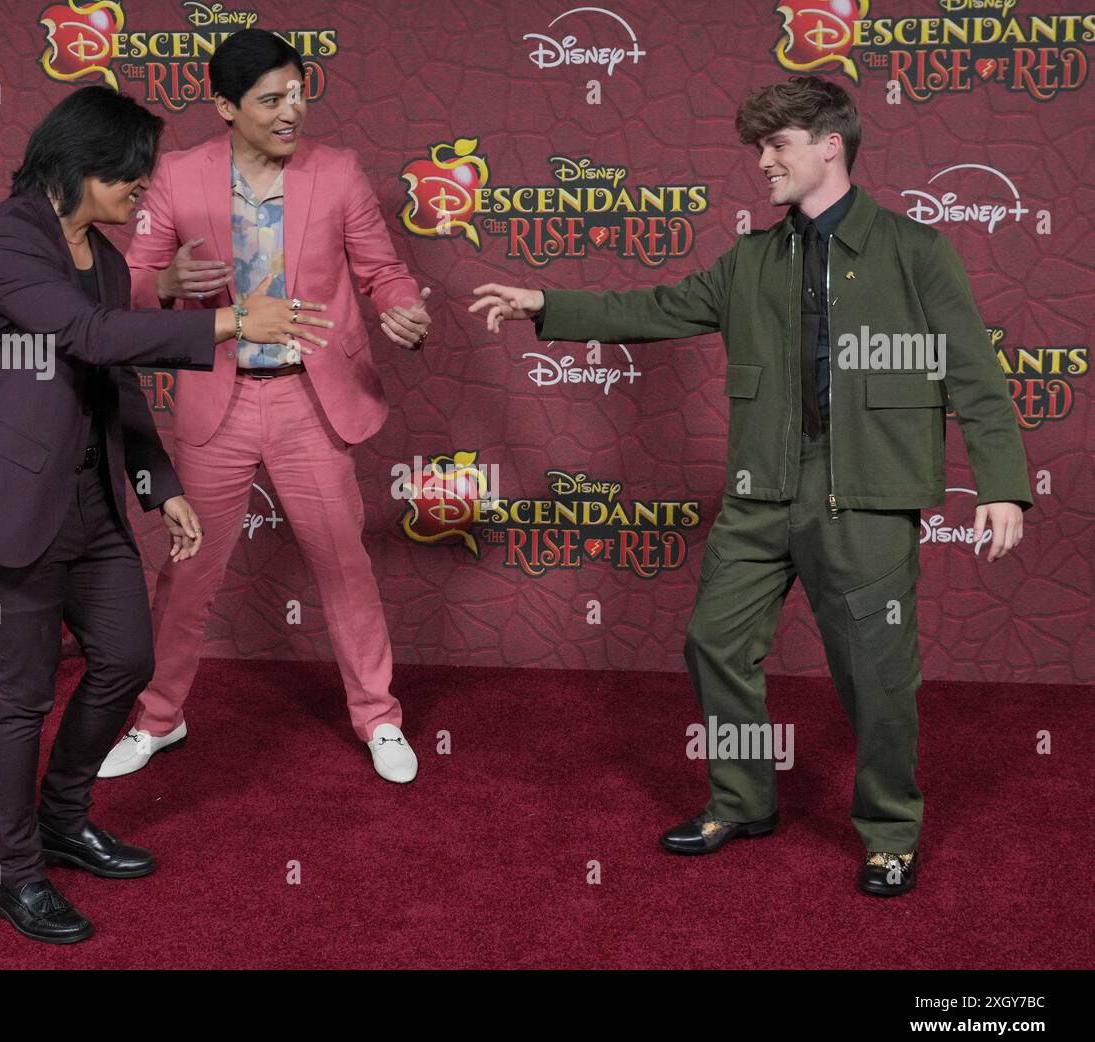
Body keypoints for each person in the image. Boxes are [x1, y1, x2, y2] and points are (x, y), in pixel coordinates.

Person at [469, 76, 1030, 897]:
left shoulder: (916, 251)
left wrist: (1003, 486)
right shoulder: (751, 258)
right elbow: (656, 307)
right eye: (759, 148)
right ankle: (742, 797)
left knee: (877, 675)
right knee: (714, 643)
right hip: (762, 490)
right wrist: (546, 302)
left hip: (867, 496)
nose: (763, 162)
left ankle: (889, 830)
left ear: (830, 145)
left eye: (778, 145)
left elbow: (974, 374)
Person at [0, 86, 320, 943]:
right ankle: (14, 873)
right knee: (23, 697)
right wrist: (232, 320)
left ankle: (64, 818)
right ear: (81, 166)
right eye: (131, 177)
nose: (143, 193)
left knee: (128, 662)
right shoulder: (6, 240)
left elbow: (114, 379)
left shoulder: (98, 253)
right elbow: (91, 336)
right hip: (13, 504)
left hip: (93, 499)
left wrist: (159, 483)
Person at [99, 29, 430, 784]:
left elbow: (383, 271)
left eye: (299, 92)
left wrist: (402, 307)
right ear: (224, 106)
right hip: (219, 396)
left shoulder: (339, 173)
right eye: (271, 99)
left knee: (344, 564)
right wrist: (174, 278)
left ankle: (378, 718)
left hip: (311, 401)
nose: (293, 110)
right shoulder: (177, 178)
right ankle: (159, 716)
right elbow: (128, 288)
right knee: (187, 571)